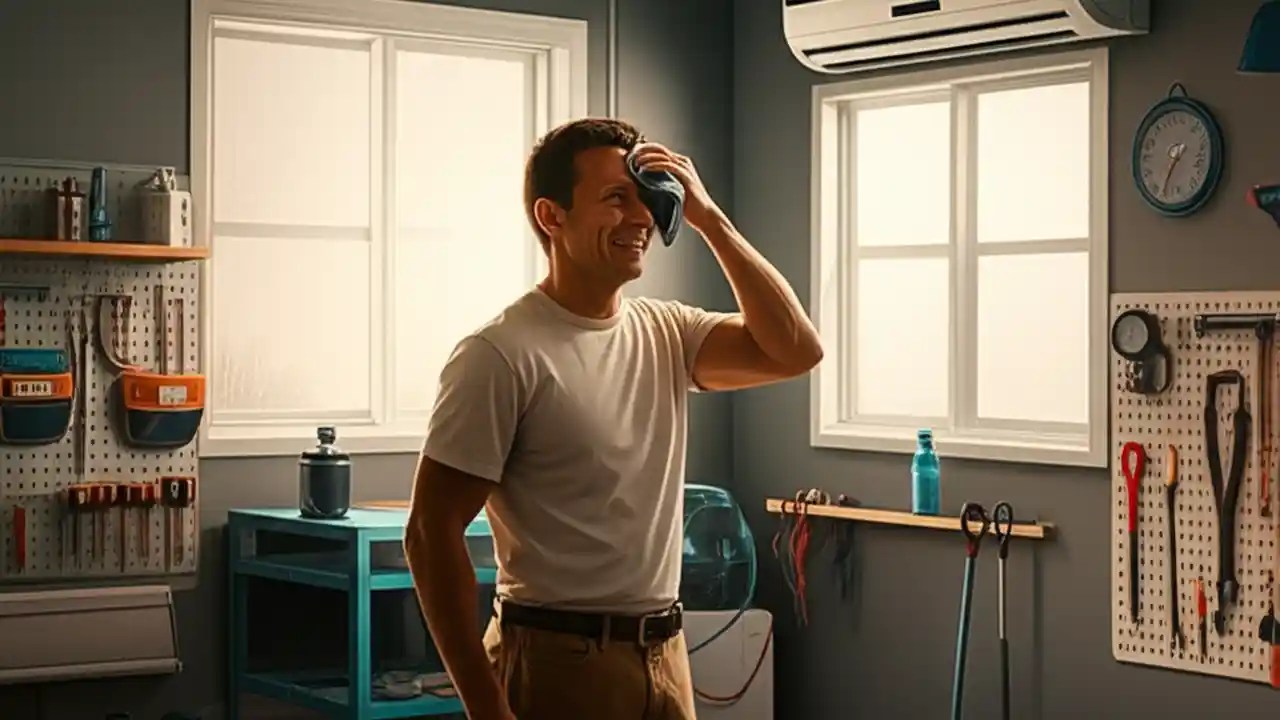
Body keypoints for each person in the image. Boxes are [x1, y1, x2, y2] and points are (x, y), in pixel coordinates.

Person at [403, 117, 823, 720]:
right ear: (553, 217)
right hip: (556, 661)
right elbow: (428, 533)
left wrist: (710, 219)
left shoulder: (669, 332)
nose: (642, 218)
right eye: (615, 198)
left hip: (665, 656)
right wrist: (486, 709)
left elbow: (797, 350)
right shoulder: (500, 353)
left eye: (645, 199)